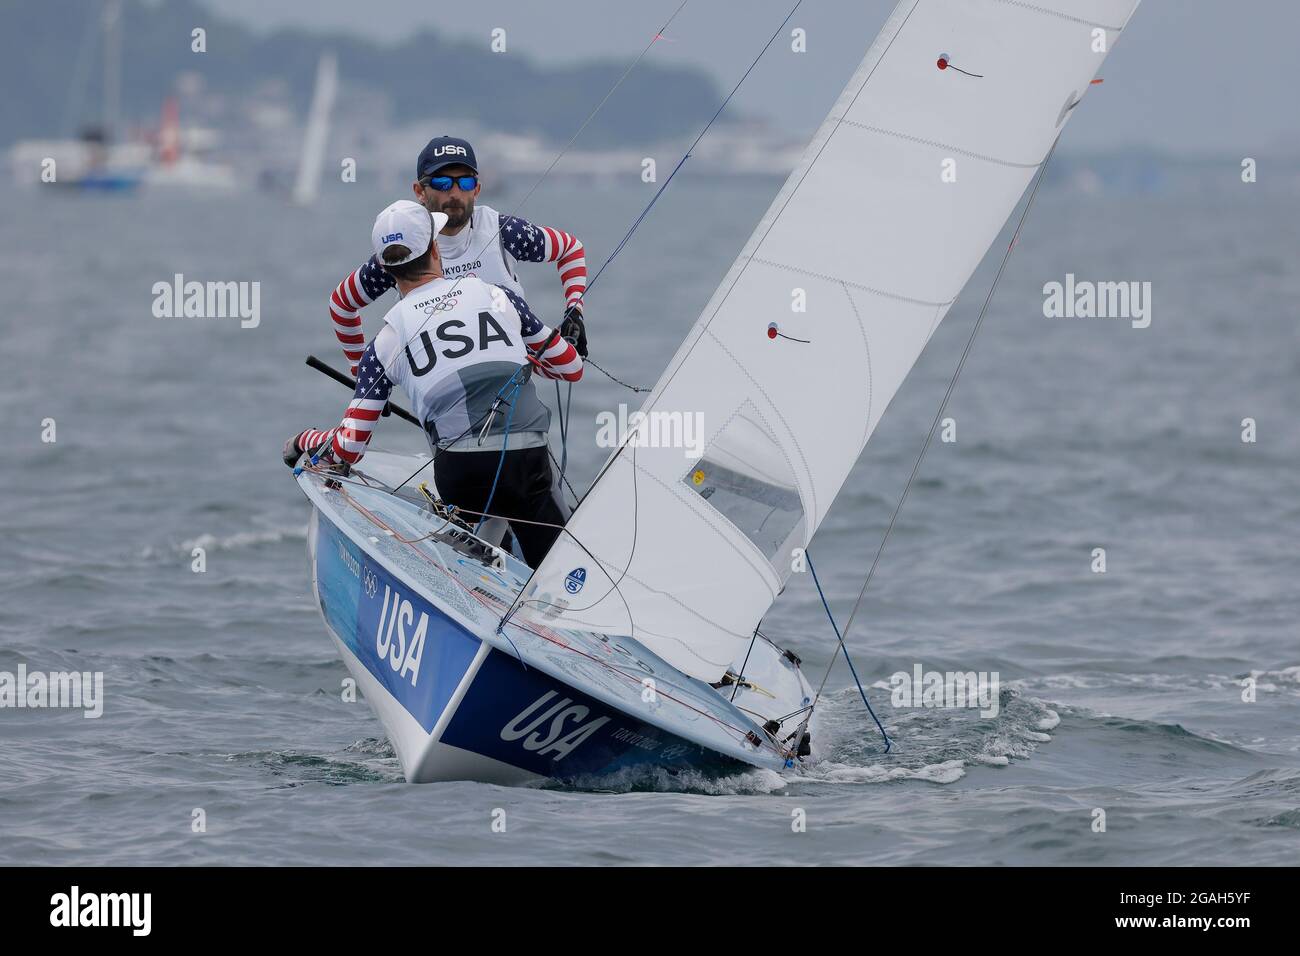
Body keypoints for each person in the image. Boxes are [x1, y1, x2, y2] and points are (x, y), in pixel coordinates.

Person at [286, 201, 582, 568]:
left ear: (384, 268)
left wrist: (306, 440)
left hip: (461, 478)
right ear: (435, 248)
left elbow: (348, 449)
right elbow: (570, 368)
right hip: (527, 467)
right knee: (555, 567)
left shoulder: (384, 341)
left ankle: (480, 566)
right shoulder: (495, 295)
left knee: (480, 490)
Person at [327, 135, 589, 379]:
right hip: (443, 396)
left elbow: (570, 249)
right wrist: (361, 373)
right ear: (419, 191)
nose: (454, 193)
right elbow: (342, 304)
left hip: (510, 382)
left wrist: (574, 310)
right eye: (442, 183)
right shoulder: (404, 248)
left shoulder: (505, 232)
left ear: (476, 189)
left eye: (465, 182)